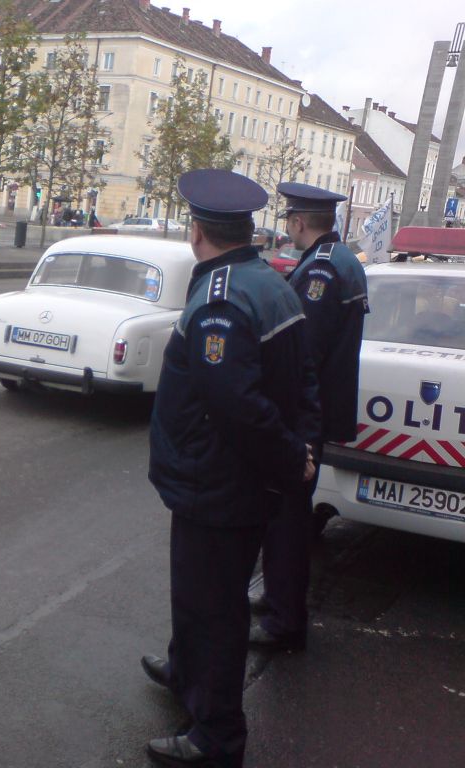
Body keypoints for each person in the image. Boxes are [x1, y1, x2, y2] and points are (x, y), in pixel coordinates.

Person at [142, 169, 319, 767]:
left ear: (197, 232)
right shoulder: (267, 283)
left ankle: (215, 737)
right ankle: (186, 674)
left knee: (213, 608)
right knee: (201, 597)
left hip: (216, 482)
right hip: (229, 480)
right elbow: (302, 379)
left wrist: (292, 456)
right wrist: (298, 450)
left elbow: (236, 405)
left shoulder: (221, 297)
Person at [250, 182, 369, 652]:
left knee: (286, 519)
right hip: (317, 410)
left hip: (304, 414)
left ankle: (285, 620)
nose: (286, 227)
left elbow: (303, 351)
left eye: (288, 220)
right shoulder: (341, 258)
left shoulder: (321, 269)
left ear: (299, 222)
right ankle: (279, 599)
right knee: (287, 514)